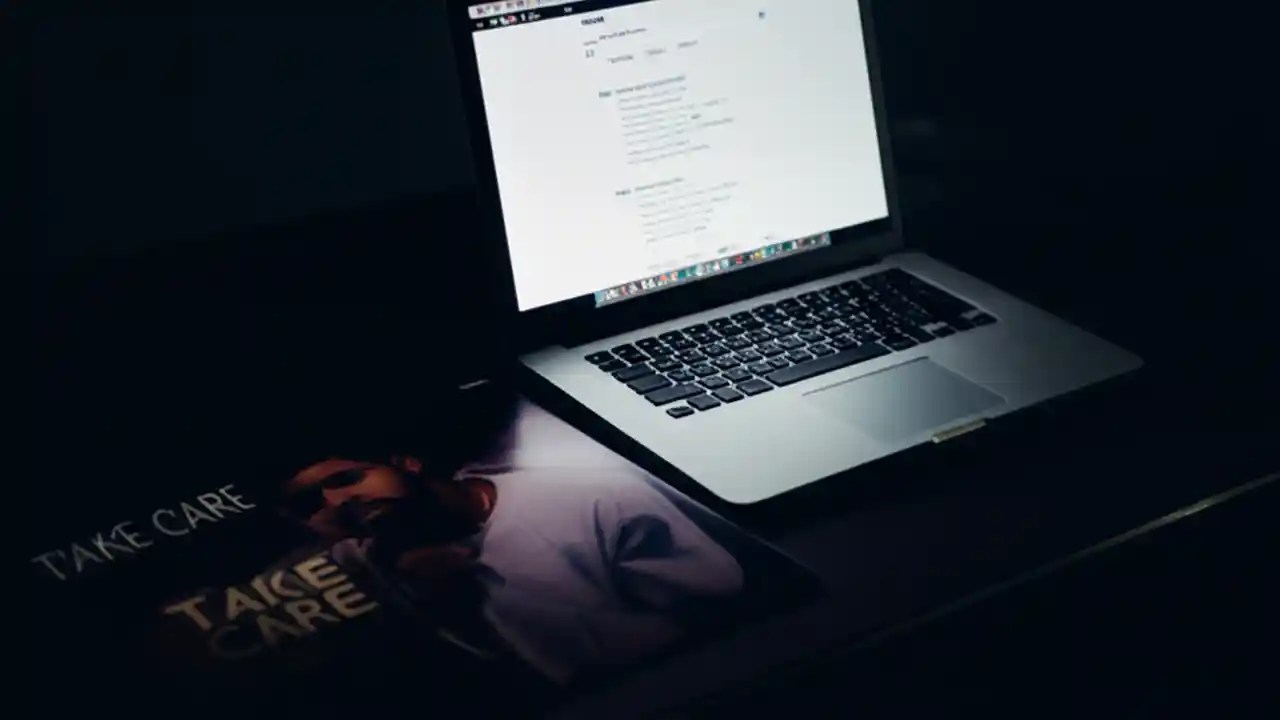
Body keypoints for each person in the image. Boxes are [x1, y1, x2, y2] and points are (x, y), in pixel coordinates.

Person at [278, 449, 745, 684]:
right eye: (309, 506)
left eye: (347, 478)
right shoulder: (356, 560)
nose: (336, 502)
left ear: (409, 464)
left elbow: (721, 612)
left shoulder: (589, 497)